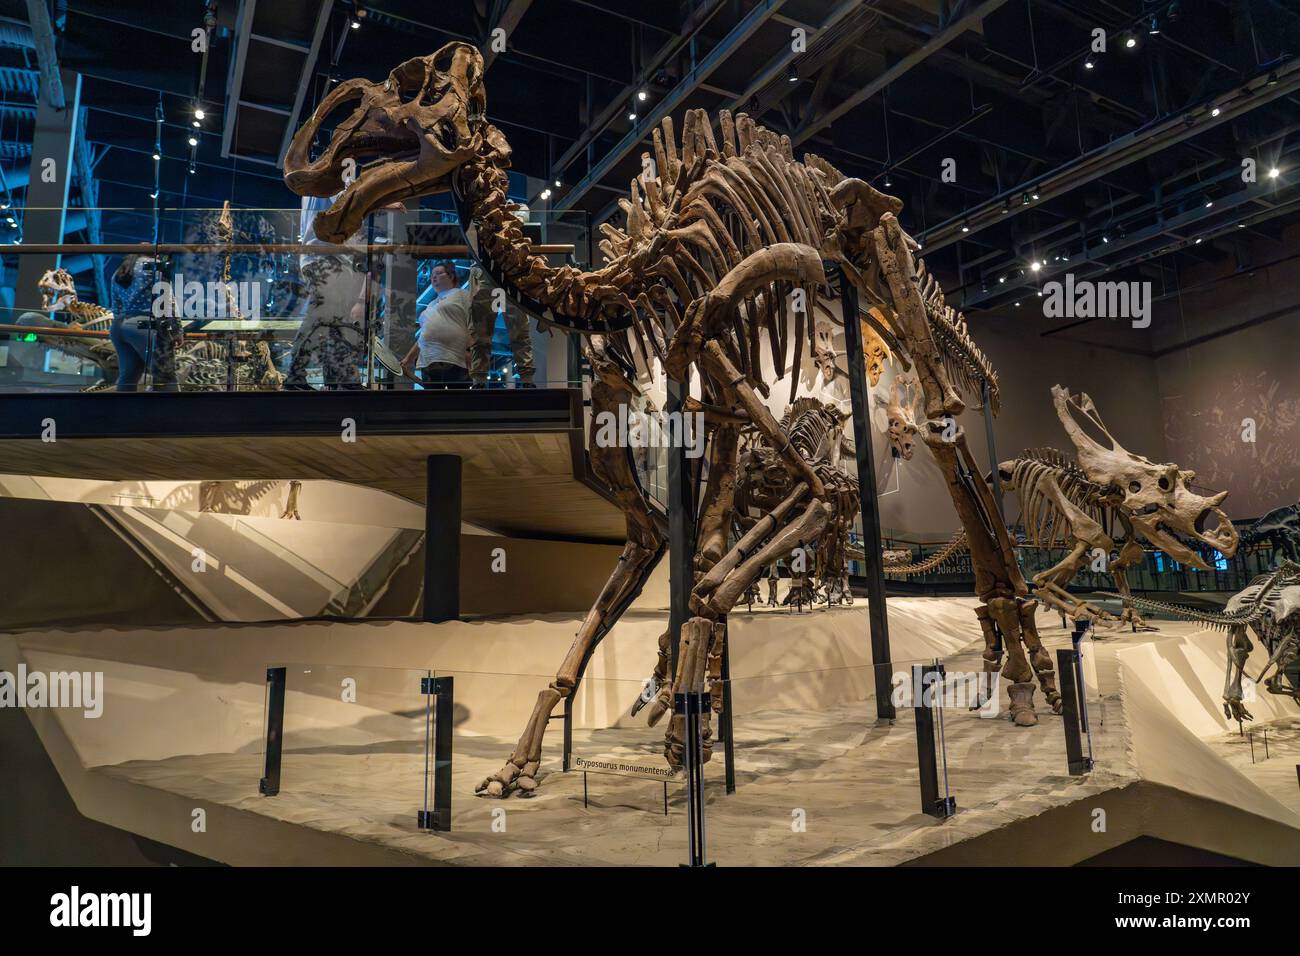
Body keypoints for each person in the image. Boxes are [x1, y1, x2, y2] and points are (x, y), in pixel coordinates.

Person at [283, 192, 368, 389]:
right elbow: (346, 203)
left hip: (327, 259)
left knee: (333, 321)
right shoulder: (332, 178)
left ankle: (339, 376)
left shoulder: (319, 182)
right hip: (326, 258)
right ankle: (296, 375)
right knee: (319, 317)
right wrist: (377, 201)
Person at [110, 249, 178, 392]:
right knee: (166, 377)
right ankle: (170, 413)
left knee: (128, 377)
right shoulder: (156, 266)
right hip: (144, 325)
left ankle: (120, 413)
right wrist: (177, 329)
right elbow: (168, 299)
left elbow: (116, 307)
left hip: (119, 326)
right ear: (155, 254)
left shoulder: (120, 271)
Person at [403, 260, 472, 388]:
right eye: (432, 275)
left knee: (459, 403)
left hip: (455, 358)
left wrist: (471, 351)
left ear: (451, 276)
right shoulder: (431, 305)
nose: (433, 277)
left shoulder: (462, 295)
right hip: (428, 360)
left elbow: (476, 323)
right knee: (432, 403)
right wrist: (409, 358)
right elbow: (423, 335)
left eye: (439, 273)